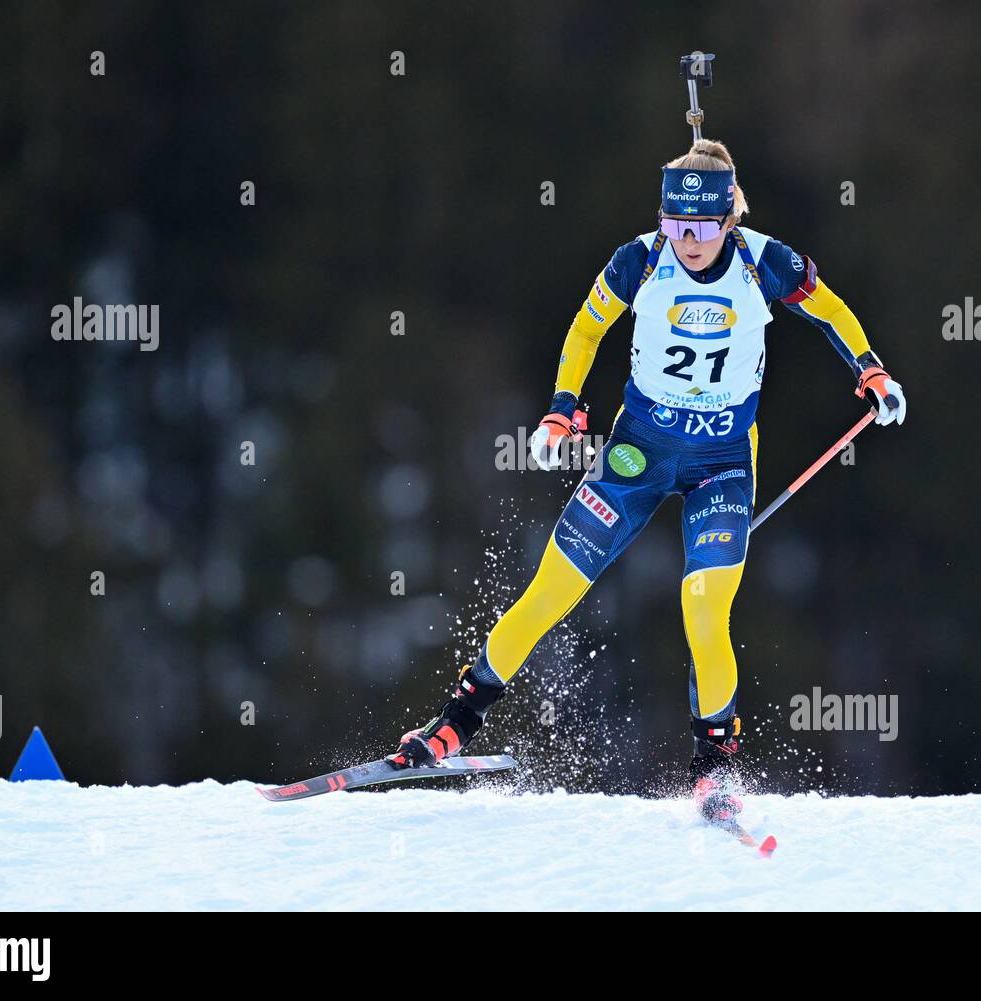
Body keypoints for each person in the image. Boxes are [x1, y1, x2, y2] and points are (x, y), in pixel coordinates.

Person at [387, 138, 905, 823]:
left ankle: (715, 763)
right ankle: (454, 723)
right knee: (552, 587)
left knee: (703, 608)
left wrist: (869, 369)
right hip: (639, 448)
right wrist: (562, 408)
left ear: (728, 219)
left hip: (722, 461)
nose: (687, 242)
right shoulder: (639, 260)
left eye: (700, 228)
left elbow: (832, 308)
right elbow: (585, 328)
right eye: (674, 226)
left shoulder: (762, 260)